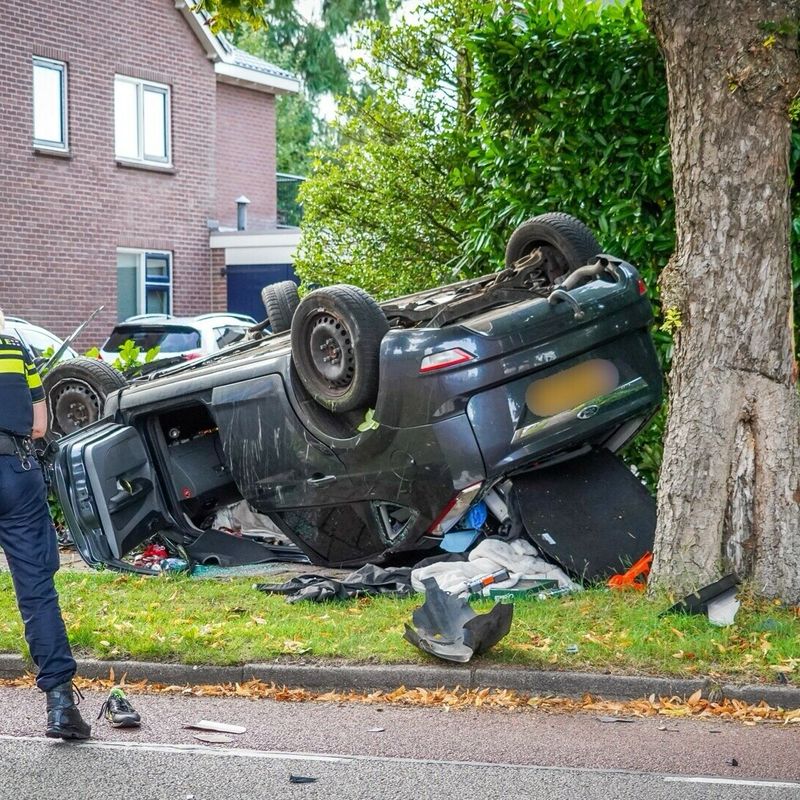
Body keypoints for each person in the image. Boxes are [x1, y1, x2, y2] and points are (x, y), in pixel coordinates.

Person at [0, 310, 90, 739]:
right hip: (16, 473)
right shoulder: (16, 348)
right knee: (36, 590)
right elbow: (39, 426)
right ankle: (60, 705)